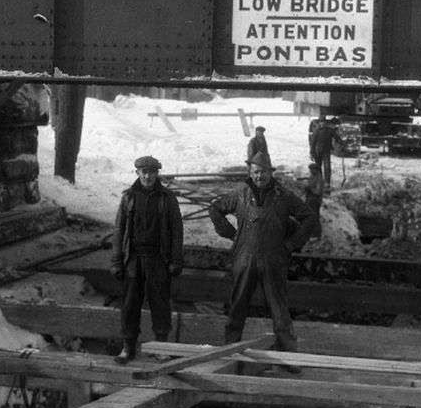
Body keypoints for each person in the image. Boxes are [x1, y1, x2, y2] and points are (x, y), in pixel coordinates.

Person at [208, 150, 315, 354]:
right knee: (237, 304)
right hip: (244, 258)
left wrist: (292, 244)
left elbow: (309, 217)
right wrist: (231, 234)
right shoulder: (240, 194)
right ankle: (230, 349)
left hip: (274, 259)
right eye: (256, 172)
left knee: (279, 307)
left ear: (270, 173)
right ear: (250, 172)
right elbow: (215, 209)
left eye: (263, 172)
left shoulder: (283, 196)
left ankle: (288, 352)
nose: (259, 176)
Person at [110, 155, 184, 364]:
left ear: (157, 174)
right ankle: (128, 348)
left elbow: (177, 231)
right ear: (137, 173)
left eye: (152, 172)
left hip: (158, 259)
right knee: (130, 304)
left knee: (160, 304)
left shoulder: (167, 198)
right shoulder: (128, 197)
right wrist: (116, 261)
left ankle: (161, 347)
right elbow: (119, 230)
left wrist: (176, 260)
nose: (148, 176)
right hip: (133, 259)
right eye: (144, 172)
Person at [309, 117, 337, 192]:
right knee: (318, 167)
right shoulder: (316, 131)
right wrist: (312, 152)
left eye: (323, 122)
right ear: (319, 123)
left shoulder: (330, 130)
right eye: (321, 122)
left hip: (326, 151)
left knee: (327, 167)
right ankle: (319, 181)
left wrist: (342, 143)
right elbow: (313, 143)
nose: (322, 123)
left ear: (325, 123)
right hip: (318, 152)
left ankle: (327, 183)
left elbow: (337, 137)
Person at [304, 163, 325, 239]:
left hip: (315, 200)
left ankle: (317, 234)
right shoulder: (312, 177)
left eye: (312, 169)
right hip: (309, 200)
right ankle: (312, 233)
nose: (311, 171)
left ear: (316, 170)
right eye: (310, 169)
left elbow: (318, 192)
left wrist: (310, 189)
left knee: (315, 216)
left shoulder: (319, 179)